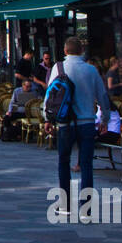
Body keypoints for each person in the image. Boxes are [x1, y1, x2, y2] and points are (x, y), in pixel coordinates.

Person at [48, 36, 111, 214]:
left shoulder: (58, 67)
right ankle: (86, 208)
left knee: (63, 161)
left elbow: (51, 95)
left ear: (65, 51)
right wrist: (104, 119)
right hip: (87, 123)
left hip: (66, 123)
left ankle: (65, 205)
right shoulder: (91, 70)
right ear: (82, 51)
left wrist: (48, 119)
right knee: (86, 164)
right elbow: (103, 96)